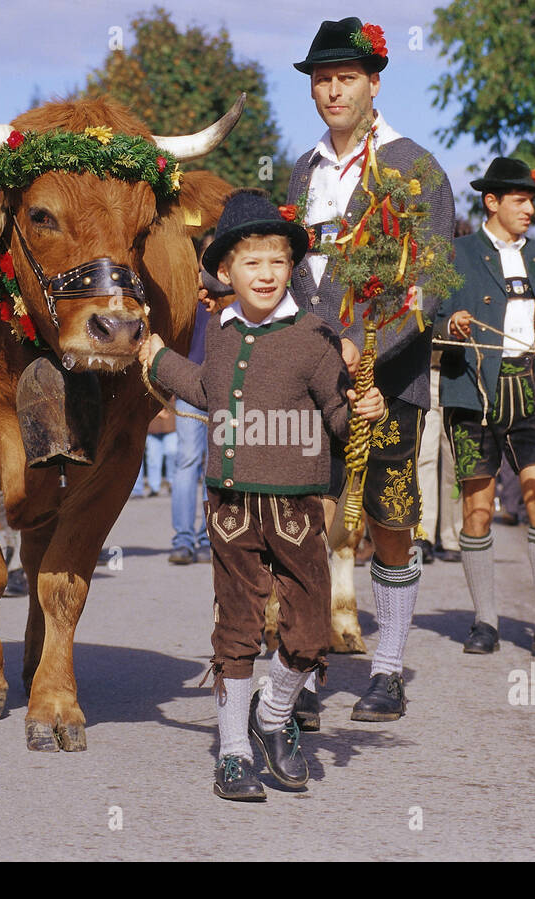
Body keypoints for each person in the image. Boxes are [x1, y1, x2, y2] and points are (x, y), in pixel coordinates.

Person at [141, 189, 385, 800]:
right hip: (229, 507)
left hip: (298, 508)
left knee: (307, 634)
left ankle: (273, 718)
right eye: (252, 263)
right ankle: (231, 752)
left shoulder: (313, 335)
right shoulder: (219, 333)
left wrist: (364, 412)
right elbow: (204, 386)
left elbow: (336, 413)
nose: (267, 274)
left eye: (277, 262)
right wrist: (153, 356)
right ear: (226, 271)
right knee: (239, 627)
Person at [286, 16, 455, 722]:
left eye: (345, 78)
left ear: (373, 84)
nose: (332, 90)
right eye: (322, 79)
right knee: (313, 517)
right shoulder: (302, 170)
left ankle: (387, 669)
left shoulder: (415, 166)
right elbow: (290, 268)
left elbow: (434, 281)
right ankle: (309, 664)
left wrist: (366, 350)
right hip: (312, 376)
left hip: (391, 376)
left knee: (389, 517)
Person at [438, 156, 535, 657]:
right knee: (477, 509)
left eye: (533, 201)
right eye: (520, 200)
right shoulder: (456, 253)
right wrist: (449, 322)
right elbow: (428, 316)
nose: (530, 210)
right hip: (473, 390)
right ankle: (484, 621)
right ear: (491, 201)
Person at [168, 240, 218, 565]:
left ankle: (210, 537)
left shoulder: (236, 295)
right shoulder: (188, 292)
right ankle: (184, 539)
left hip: (224, 388)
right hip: (190, 386)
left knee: (216, 465)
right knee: (187, 461)